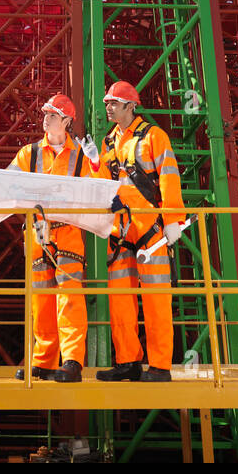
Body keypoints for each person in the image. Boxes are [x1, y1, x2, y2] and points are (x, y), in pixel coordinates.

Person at [0, 94, 92, 382]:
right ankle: (44, 361)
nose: (45, 118)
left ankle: (72, 361)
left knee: (69, 298)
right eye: (45, 114)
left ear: (66, 121)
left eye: (52, 115)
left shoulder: (80, 154)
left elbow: (98, 184)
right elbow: (7, 181)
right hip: (39, 236)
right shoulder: (30, 153)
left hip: (67, 233)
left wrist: (96, 159)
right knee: (41, 300)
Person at [91, 81, 187, 382]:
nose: (108, 107)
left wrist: (173, 220)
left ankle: (160, 366)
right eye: (107, 102)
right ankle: (127, 363)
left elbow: (169, 177)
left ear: (131, 106)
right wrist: (93, 163)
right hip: (121, 232)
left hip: (151, 229)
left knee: (157, 298)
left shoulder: (154, 137)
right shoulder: (108, 143)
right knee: (121, 299)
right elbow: (104, 183)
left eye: (115, 103)